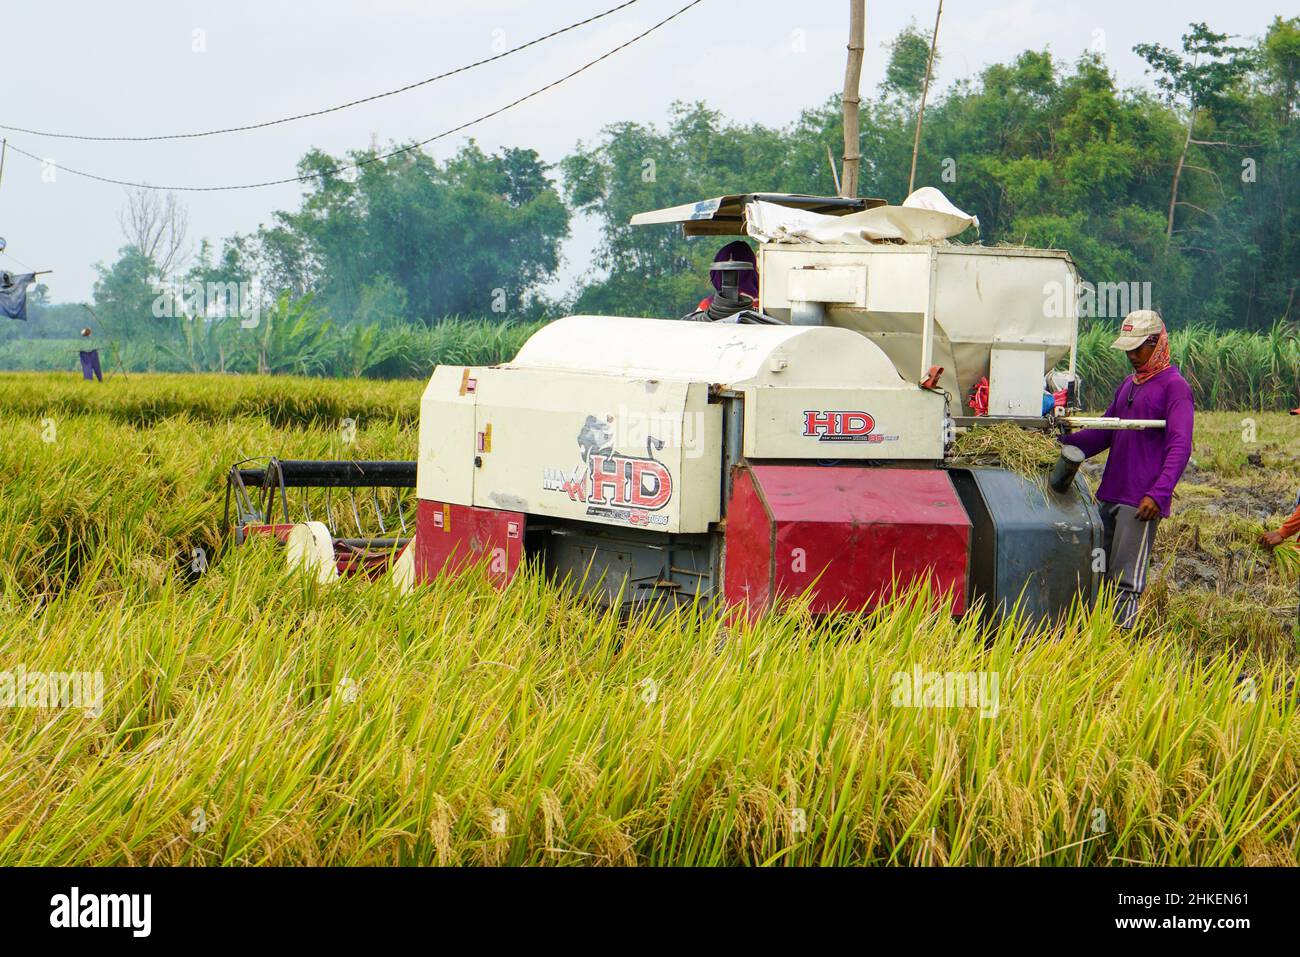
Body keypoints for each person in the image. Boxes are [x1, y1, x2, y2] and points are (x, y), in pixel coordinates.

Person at [1065, 309, 1195, 628]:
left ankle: (1124, 643)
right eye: (1129, 350)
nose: (1133, 356)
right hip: (1109, 494)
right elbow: (1105, 431)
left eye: (1139, 349)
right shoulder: (1129, 384)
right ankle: (1096, 635)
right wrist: (1061, 442)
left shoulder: (1174, 388)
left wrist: (1159, 493)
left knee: (1126, 581)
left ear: (1158, 344)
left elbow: (1180, 446)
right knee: (1097, 573)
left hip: (1140, 502)